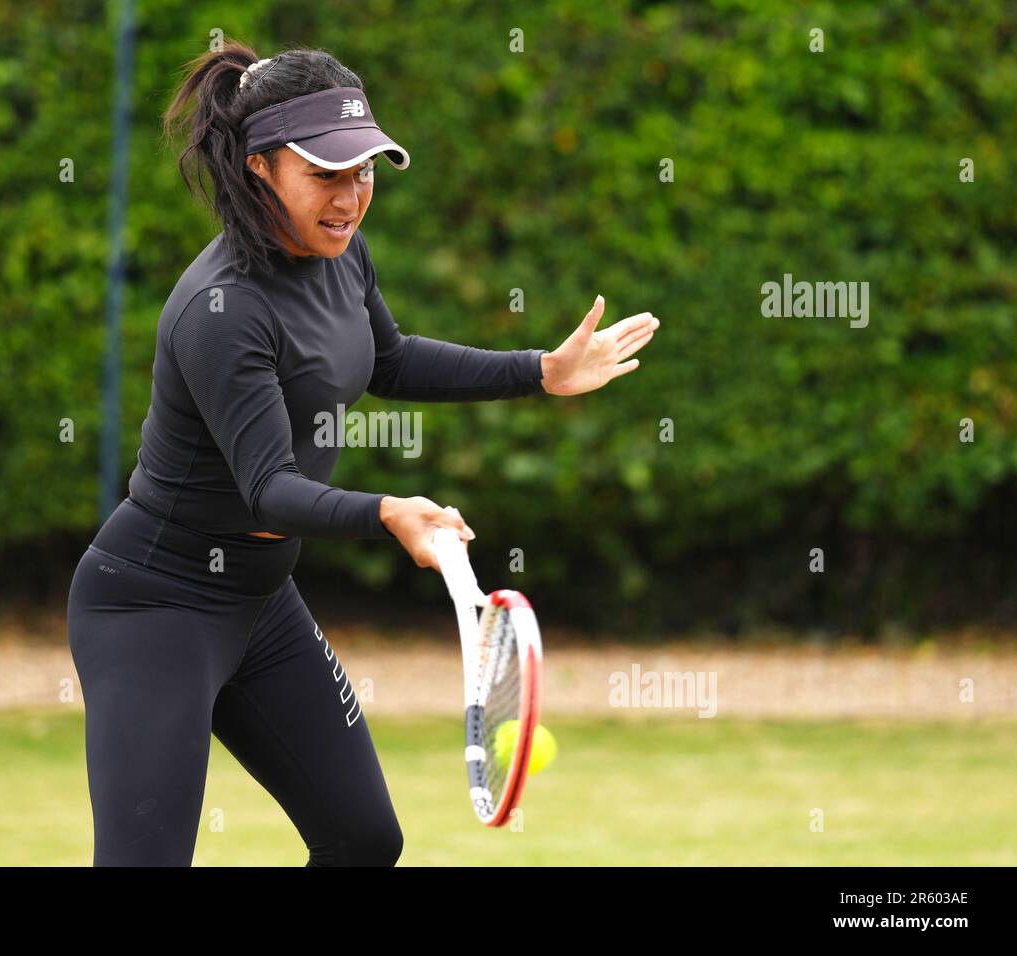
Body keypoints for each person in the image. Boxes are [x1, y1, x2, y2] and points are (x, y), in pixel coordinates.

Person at [66, 41, 660, 867]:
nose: (351, 199)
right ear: (261, 166)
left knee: (363, 842)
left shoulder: (341, 259)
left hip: (260, 604)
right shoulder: (221, 310)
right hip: (154, 609)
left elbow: (388, 359)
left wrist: (541, 372)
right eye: (327, 175)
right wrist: (389, 512)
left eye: (366, 172)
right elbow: (270, 488)